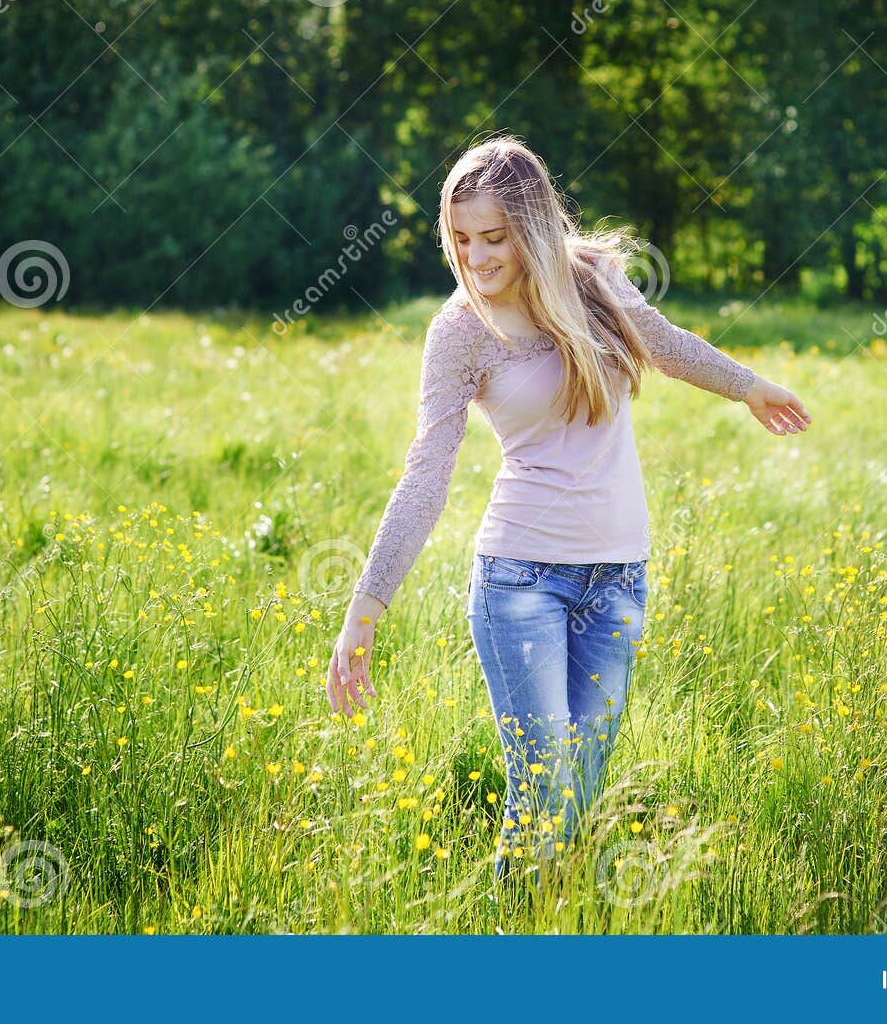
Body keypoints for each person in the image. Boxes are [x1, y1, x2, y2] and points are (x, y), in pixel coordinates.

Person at [326, 134, 812, 886]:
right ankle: (512, 928)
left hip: (618, 576)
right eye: (460, 239)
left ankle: (557, 923)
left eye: (494, 237)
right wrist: (366, 605)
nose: (475, 257)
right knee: (544, 786)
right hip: (520, 580)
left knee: (578, 792)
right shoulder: (459, 330)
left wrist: (749, 386)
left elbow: (665, 344)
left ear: (531, 227)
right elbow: (427, 472)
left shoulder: (595, 282)